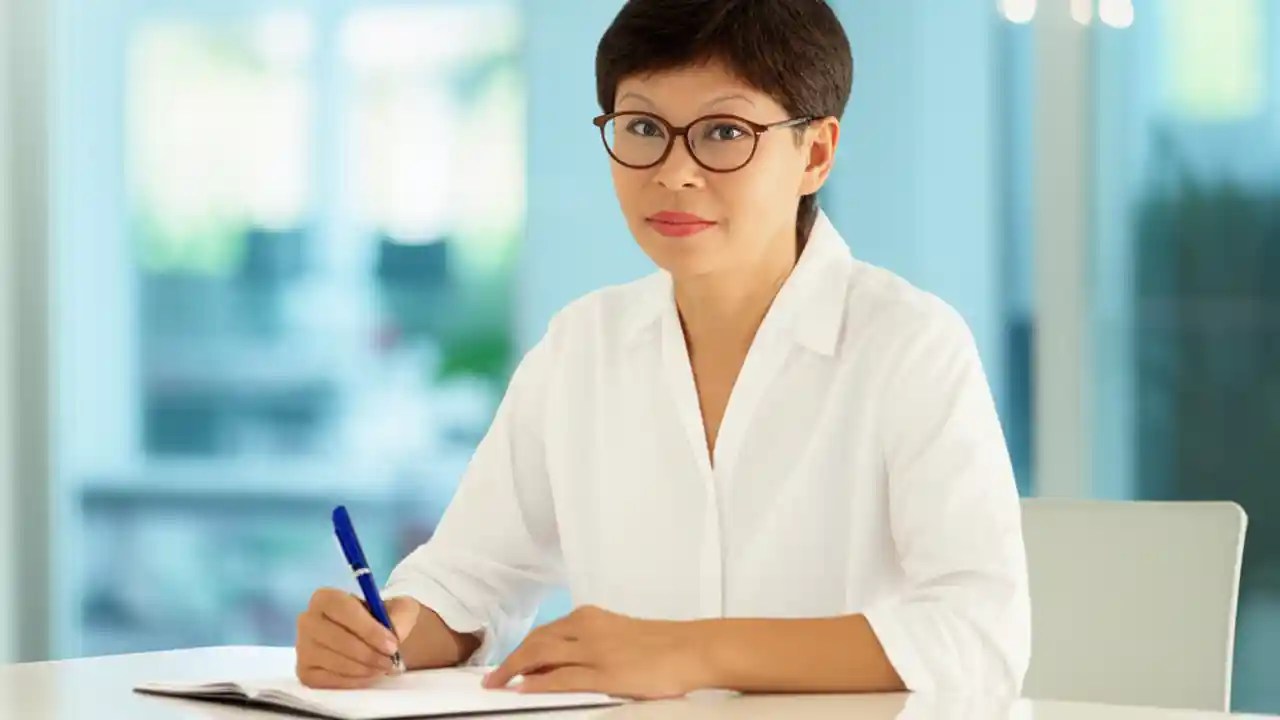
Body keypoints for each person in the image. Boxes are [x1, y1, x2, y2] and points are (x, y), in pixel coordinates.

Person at [294, 0, 1030, 699]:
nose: (674, 171)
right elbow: (467, 582)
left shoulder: (908, 345)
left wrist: (691, 650)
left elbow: (980, 634)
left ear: (816, 153)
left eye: (723, 132)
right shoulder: (581, 346)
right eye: (643, 127)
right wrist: (384, 632)